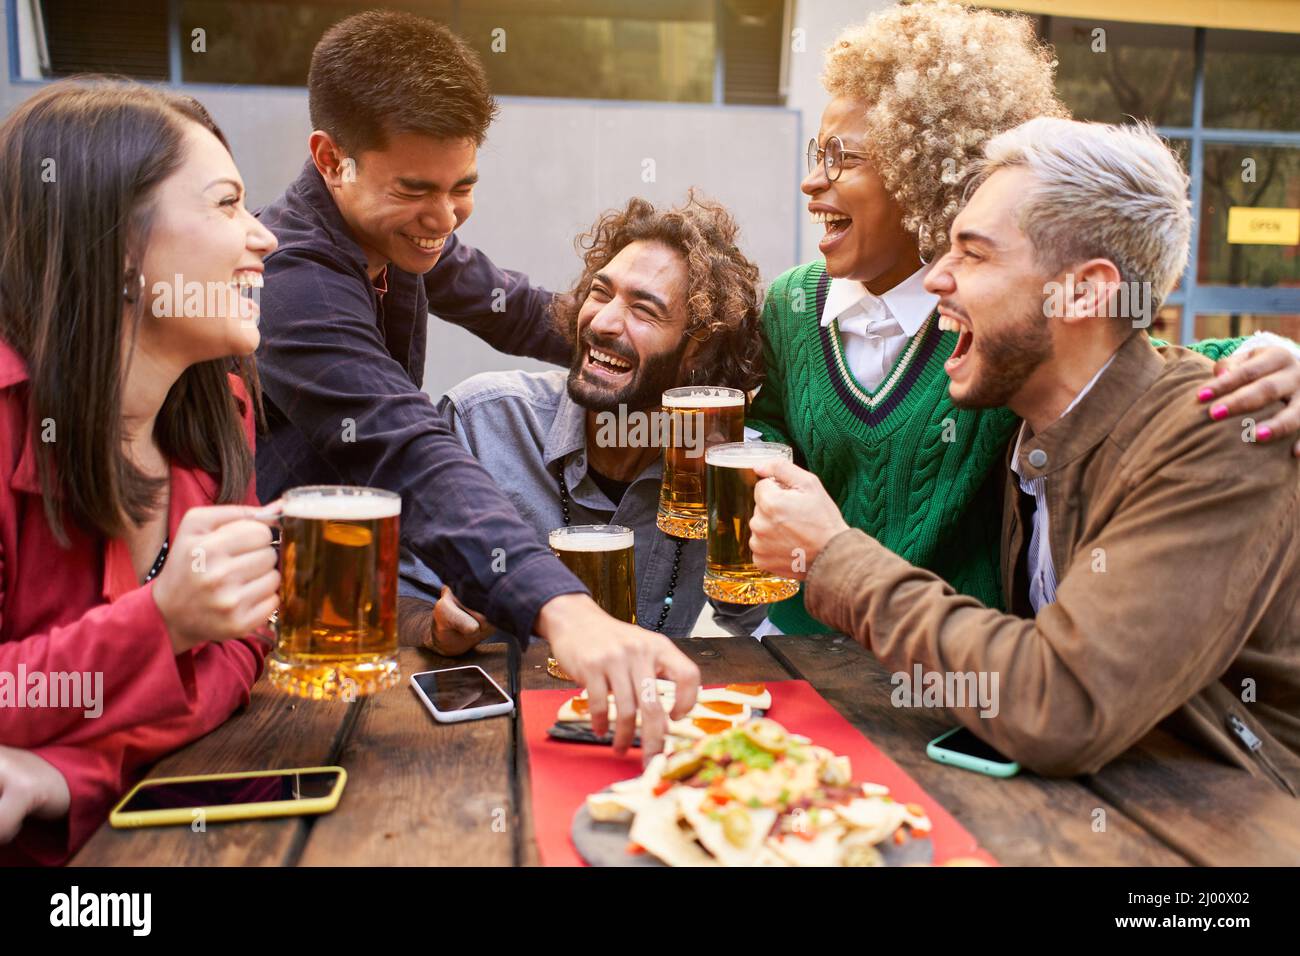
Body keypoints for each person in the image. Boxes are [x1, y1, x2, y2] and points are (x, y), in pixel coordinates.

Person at [748, 118, 1300, 790]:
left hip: (1237, 827)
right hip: (1100, 804)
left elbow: (1058, 703)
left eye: (972, 255)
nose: (936, 280)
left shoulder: (1224, 433)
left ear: (1084, 290)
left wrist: (834, 558)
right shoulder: (1023, 418)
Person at [746, 1, 1300, 639]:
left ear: (923, 174)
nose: (812, 181)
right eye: (818, 153)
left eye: (843, 158)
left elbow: (1134, 365)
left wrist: (1272, 357)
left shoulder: (1003, 330)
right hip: (807, 649)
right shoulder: (791, 304)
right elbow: (769, 426)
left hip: (961, 664)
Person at [253, 10, 697, 754]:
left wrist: (654, 357)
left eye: (464, 185)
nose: (443, 218)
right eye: (419, 189)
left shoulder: (390, 229)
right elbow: (410, 449)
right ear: (332, 159)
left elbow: (519, 309)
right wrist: (567, 612)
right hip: (273, 614)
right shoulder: (296, 284)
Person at [0, 80, 282, 862]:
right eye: (227, 205)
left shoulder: (219, 411)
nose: (264, 238)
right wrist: (160, 624)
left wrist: (73, 771)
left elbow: (242, 643)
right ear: (121, 243)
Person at [396, 194, 768, 652]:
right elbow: (398, 601)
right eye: (600, 292)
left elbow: (750, 614)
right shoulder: (484, 421)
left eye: (644, 310)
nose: (603, 321)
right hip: (496, 717)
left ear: (697, 348)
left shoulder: (717, 467)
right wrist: (434, 629)